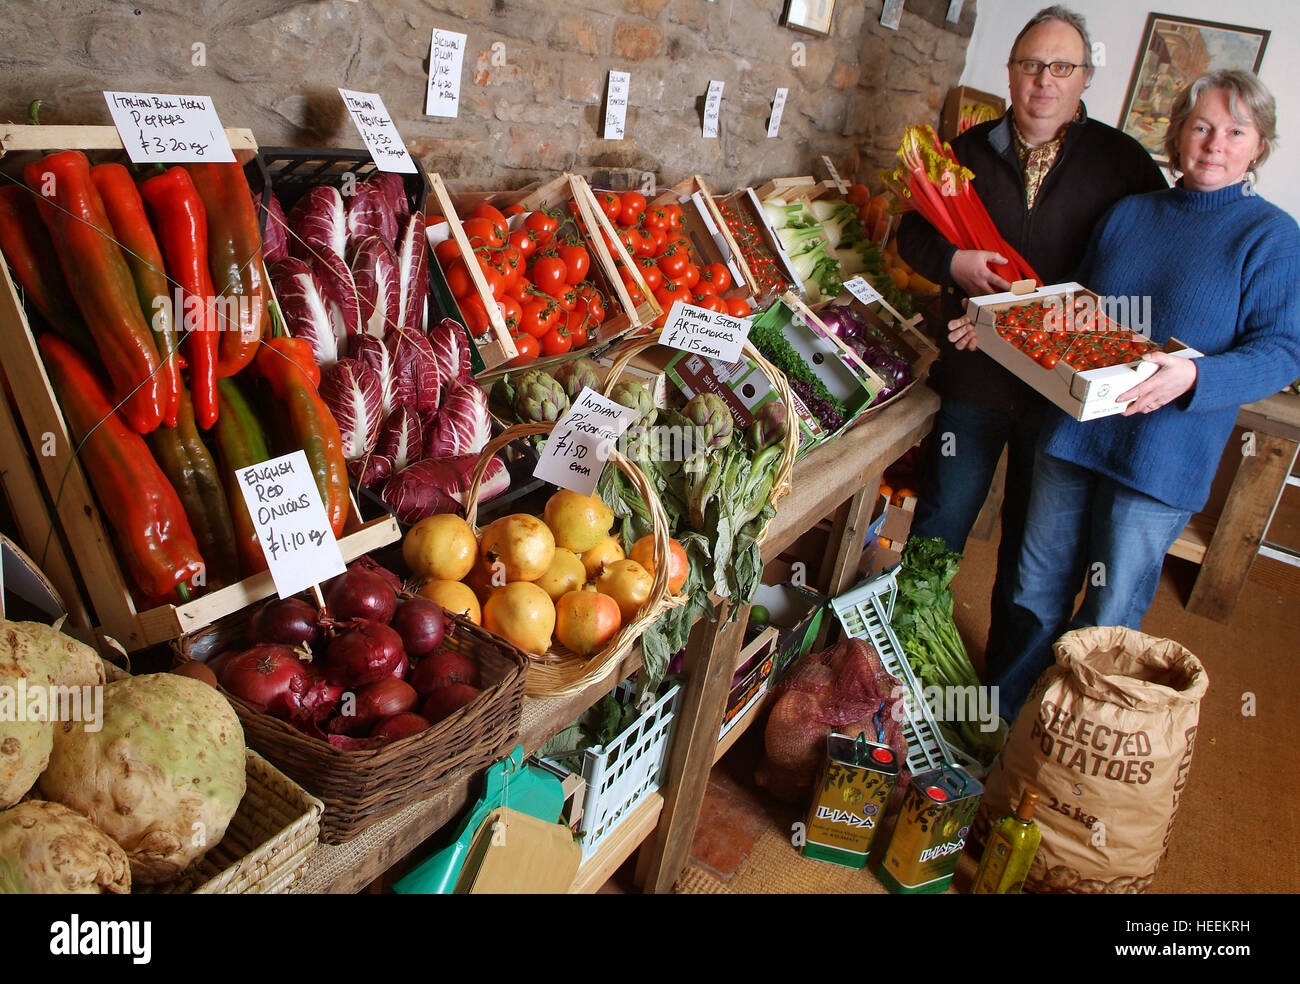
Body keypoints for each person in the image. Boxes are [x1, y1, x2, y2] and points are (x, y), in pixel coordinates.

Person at [952, 69, 1300, 716]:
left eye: (1234, 131)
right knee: (1033, 589)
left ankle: (1064, 739)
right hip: (1074, 436)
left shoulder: (1272, 238)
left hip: (1160, 460)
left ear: (1259, 144)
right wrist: (998, 327)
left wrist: (1195, 375)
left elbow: (1283, 351)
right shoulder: (1131, 212)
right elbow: (1075, 303)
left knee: (1110, 613)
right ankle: (999, 724)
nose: (1214, 143)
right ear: (1177, 134)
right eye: (1200, 126)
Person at [897, 5, 1166, 673]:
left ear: (1084, 78)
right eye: (1030, 65)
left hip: (1063, 395)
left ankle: (1004, 692)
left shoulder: (1125, 163)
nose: (1044, 79)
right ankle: (899, 655)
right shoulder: (962, 153)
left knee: (1036, 554)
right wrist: (955, 265)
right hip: (975, 375)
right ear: (1011, 73)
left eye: (1062, 66)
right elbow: (911, 235)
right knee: (942, 519)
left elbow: (1152, 254)